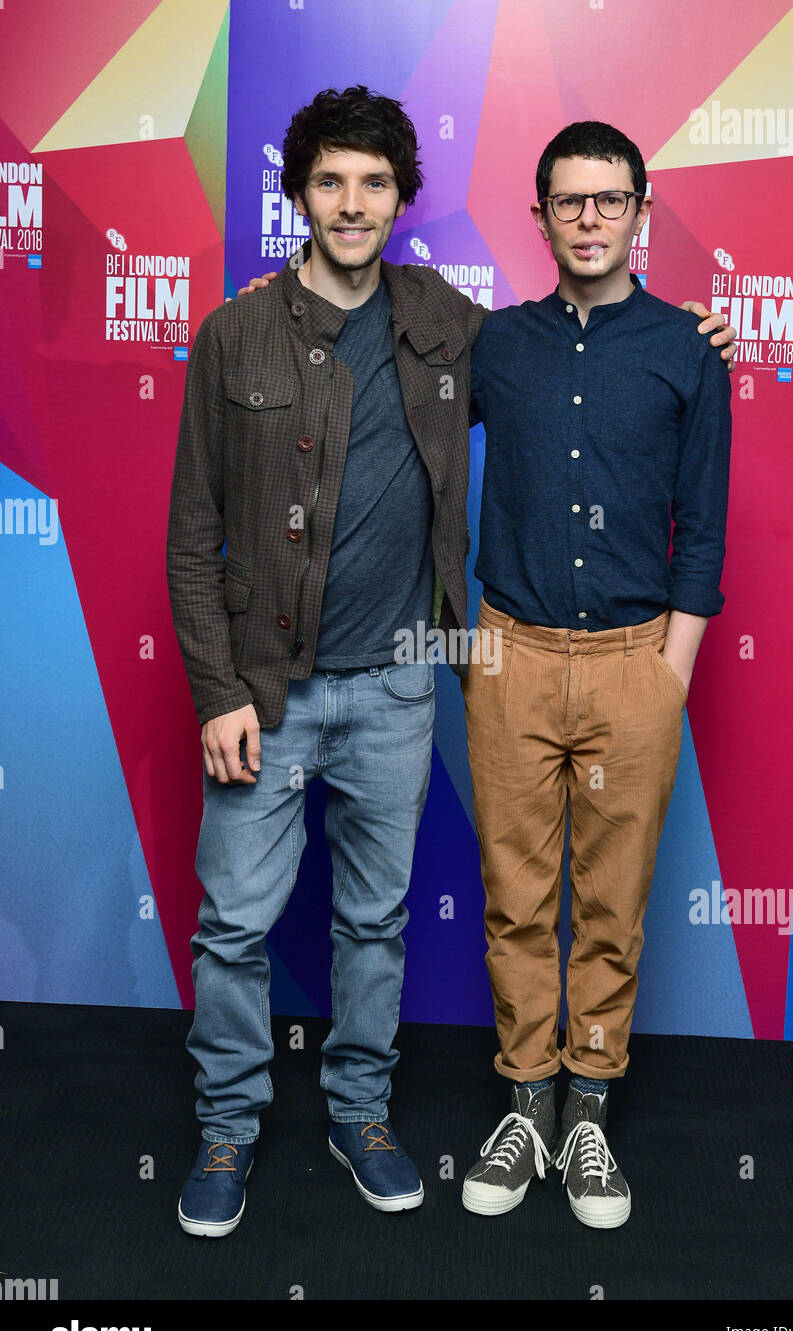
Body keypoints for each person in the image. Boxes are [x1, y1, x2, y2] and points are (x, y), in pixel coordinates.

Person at [178, 89, 735, 1237]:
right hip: (351, 680)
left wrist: (670, 666)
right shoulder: (279, 334)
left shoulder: (495, 329)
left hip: (445, 675)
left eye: (372, 182)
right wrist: (218, 687)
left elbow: (665, 464)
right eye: (329, 181)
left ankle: (436, 1114)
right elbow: (202, 521)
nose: (351, 203)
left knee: (432, 920)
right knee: (268, 922)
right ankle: (261, 1126)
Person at [459, 121, 732, 1228]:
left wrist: (667, 674)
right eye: (566, 201)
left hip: (632, 669)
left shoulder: (686, 351)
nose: (587, 219)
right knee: (514, 901)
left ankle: (586, 1120)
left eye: (607, 200)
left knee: (609, 909)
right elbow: (385, 399)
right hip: (508, 657)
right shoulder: (492, 345)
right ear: (538, 217)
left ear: (639, 211)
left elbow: (702, 535)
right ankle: (523, 1104)